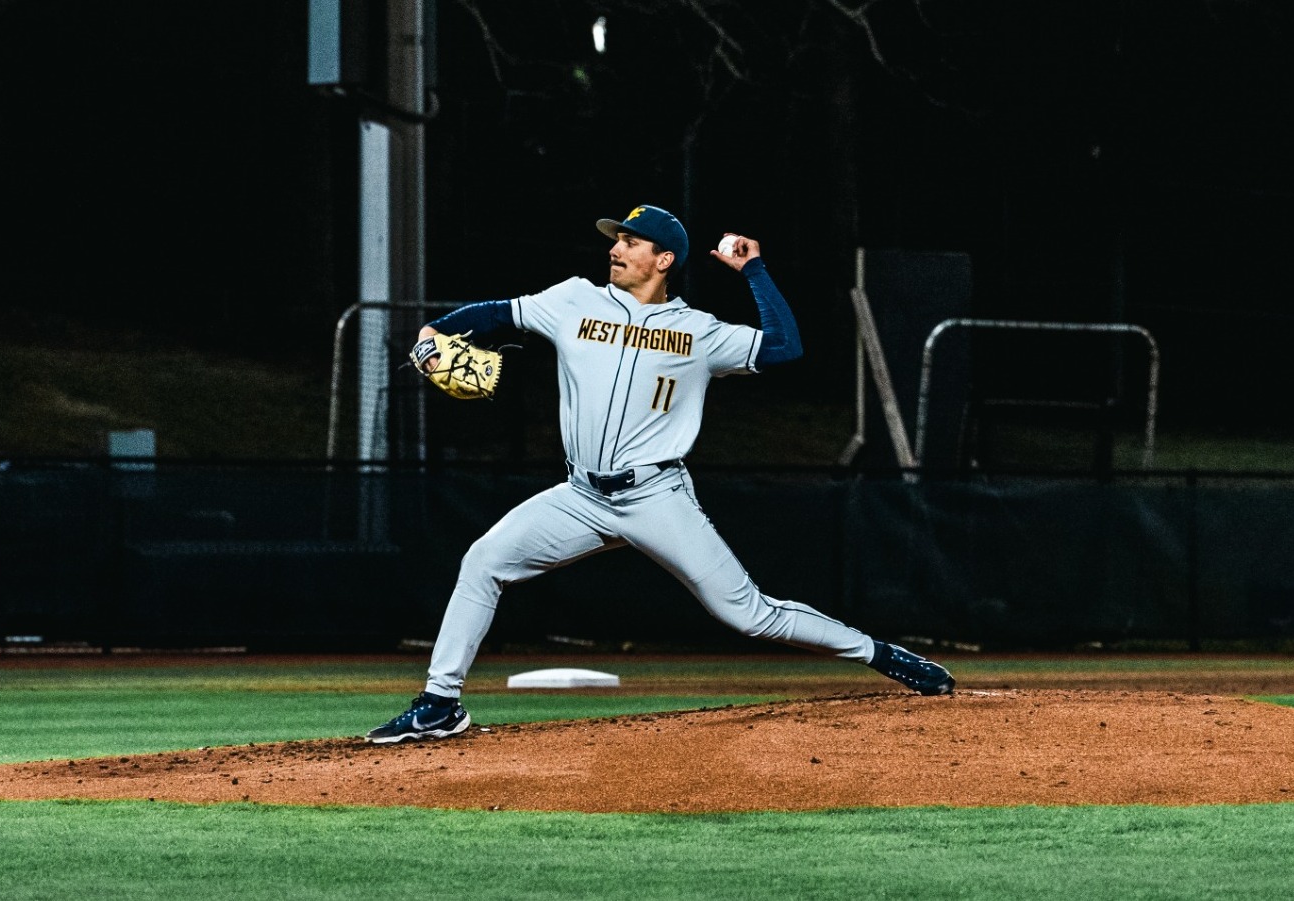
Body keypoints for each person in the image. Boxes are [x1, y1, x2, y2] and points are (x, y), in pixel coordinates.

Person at [366, 204, 954, 744]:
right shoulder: (574, 300)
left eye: (631, 241)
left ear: (664, 259)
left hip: (656, 495)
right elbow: (497, 314)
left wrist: (753, 271)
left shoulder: (700, 332)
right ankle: (441, 702)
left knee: (747, 614)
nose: (616, 248)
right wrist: (434, 332)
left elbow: (784, 347)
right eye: (615, 239)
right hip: (580, 495)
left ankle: (881, 654)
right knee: (483, 562)